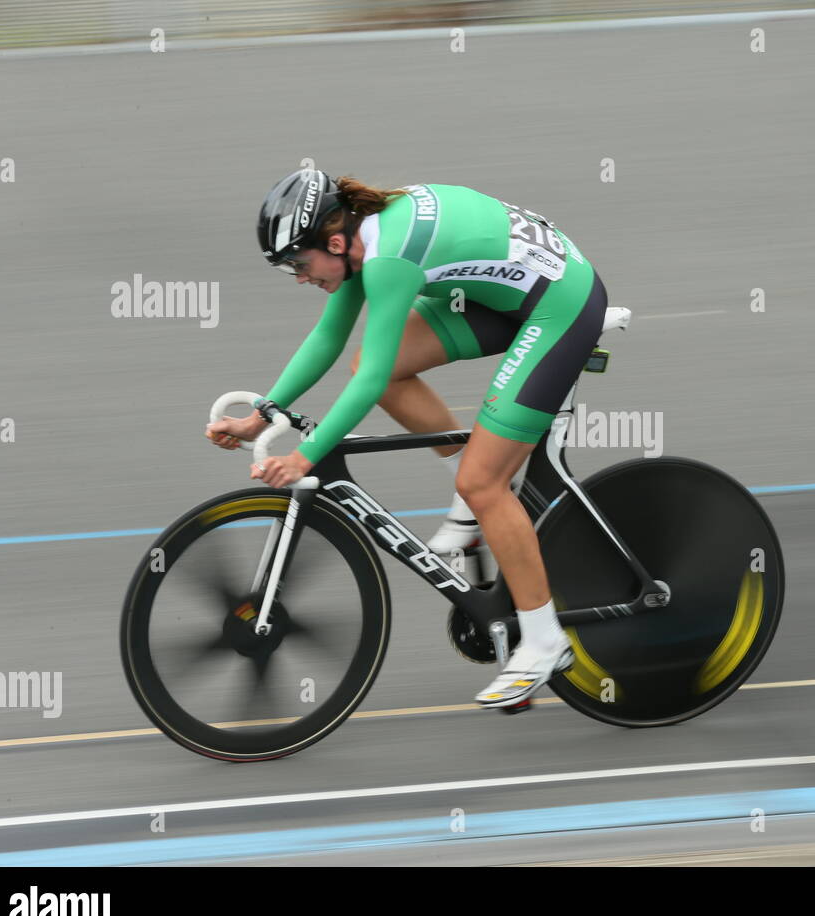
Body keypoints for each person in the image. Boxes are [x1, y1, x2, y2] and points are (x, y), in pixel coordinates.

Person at [205, 169, 609, 708]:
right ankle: (475, 502)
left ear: (334, 241)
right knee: (385, 369)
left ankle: (544, 641)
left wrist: (305, 457)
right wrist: (263, 413)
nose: (300, 278)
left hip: (560, 307)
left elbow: (367, 383)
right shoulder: (359, 242)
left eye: (300, 266)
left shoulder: (388, 259)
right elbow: (330, 337)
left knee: (484, 481)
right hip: (497, 295)